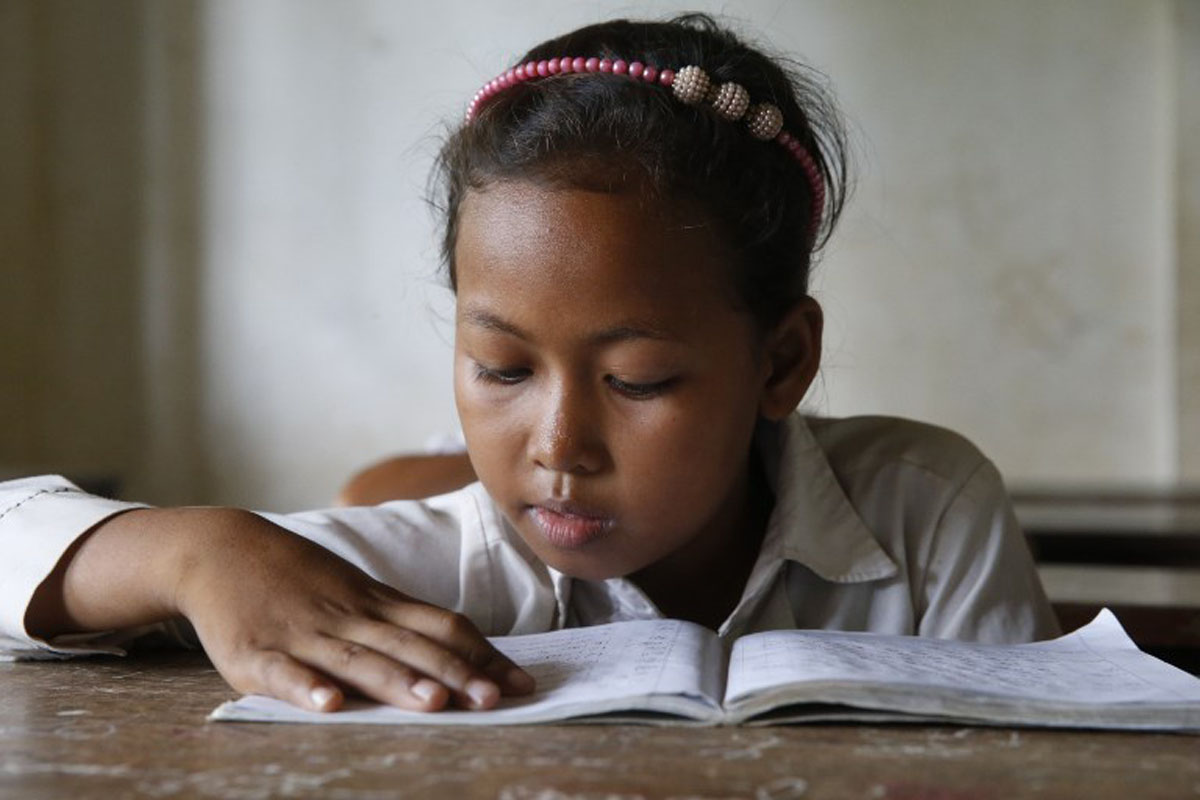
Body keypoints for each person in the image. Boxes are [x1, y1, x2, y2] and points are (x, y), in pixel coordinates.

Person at [0, 14, 1059, 716]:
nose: (556, 448)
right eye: (501, 369)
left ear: (782, 361)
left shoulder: (925, 513)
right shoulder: (440, 567)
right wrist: (199, 551)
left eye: (638, 379)